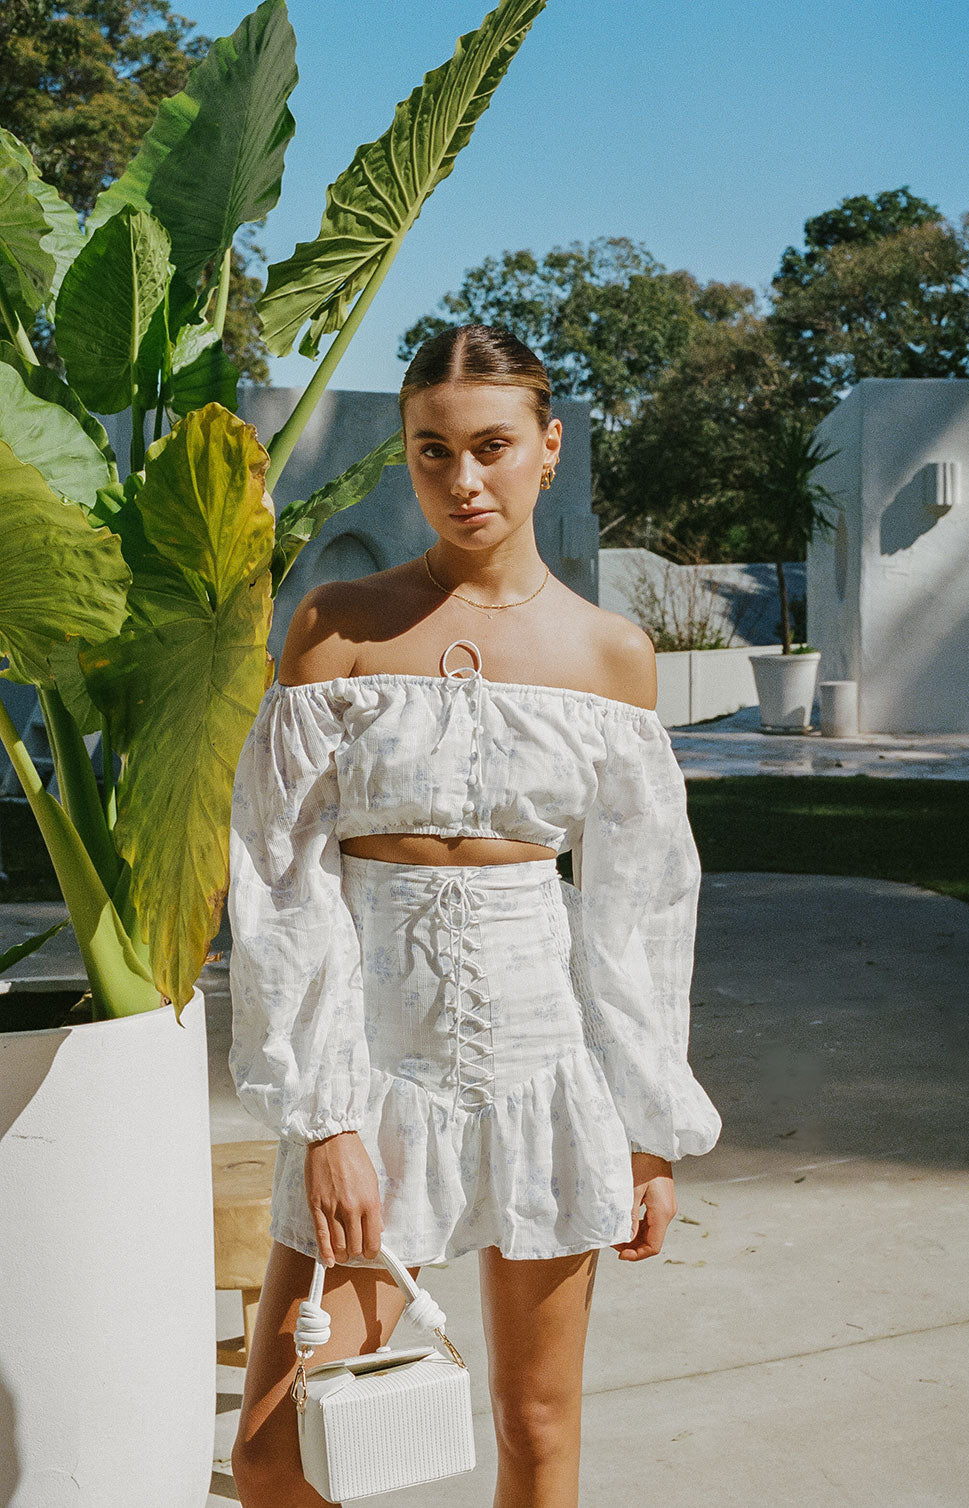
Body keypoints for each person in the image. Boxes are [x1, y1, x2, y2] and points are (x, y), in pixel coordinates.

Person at [226, 323, 723, 1507]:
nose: (463, 479)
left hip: (548, 1071)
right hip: (371, 1073)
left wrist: (648, 1130)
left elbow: (639, 913)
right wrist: (328, 1118)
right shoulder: (337, 626)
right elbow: (282, 883)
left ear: (547, 448)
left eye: (492, 446)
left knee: (536, 1427)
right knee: (274, 1457)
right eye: (433, 451)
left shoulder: (611, 654)